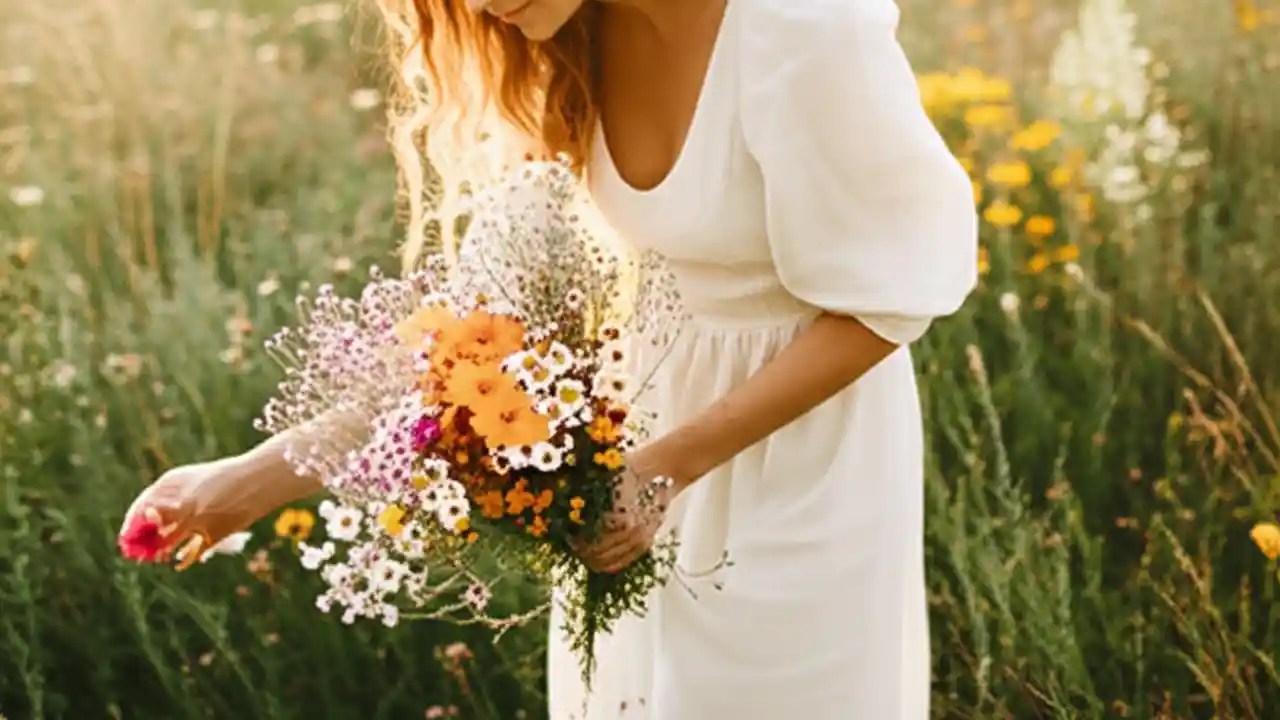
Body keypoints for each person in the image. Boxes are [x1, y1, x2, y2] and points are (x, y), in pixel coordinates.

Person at [123, 0, 978, 717]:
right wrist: (247, 480)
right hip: (627, 476)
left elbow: (889, 296)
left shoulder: (803, 31)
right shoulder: (569, 45)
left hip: (801, 471)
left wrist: (669, 466)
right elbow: (472, 336)